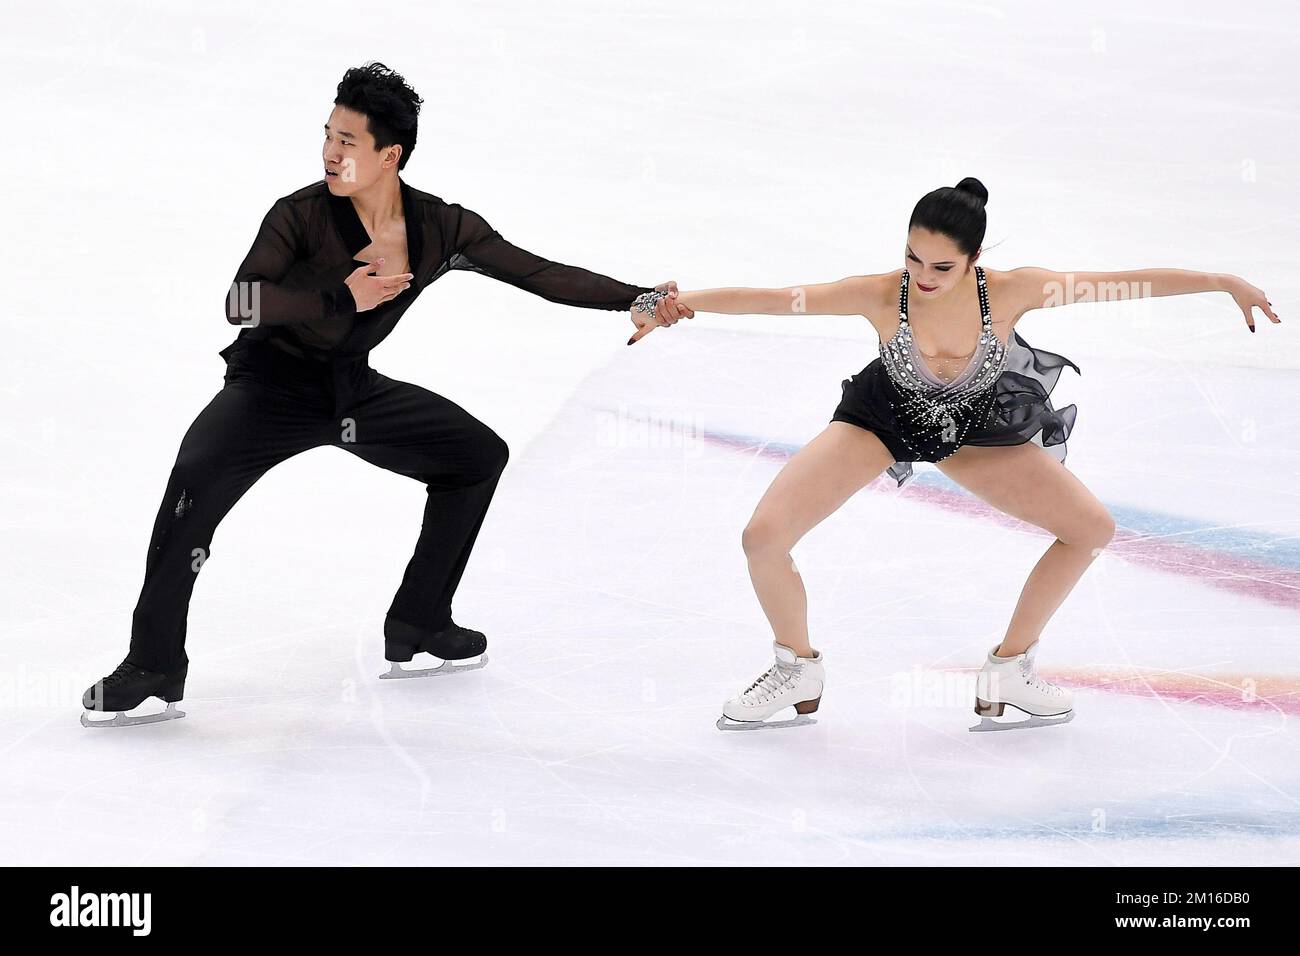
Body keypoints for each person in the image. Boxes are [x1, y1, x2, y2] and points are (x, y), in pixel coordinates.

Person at [81, 61, 689, 727]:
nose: (330, 152)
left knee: (474, 457)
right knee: (188, 497)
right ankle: (154, 665)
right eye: (328, 135)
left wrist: (632, 298)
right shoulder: (301, 215)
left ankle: (420, 619)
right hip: (268, 391)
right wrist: (340, 293)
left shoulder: (441, 227)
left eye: (348, 140)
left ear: (388, 154)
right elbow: (241, 301)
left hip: (349, 392)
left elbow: (538, 272)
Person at [650, 177, 1279, 731]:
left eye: (942, 268)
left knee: (1090, 528)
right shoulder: (880, 293)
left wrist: (1219, 281)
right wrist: (684, 305)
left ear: (975, 260)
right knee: (763, 536)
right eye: (912, 257)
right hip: (884, 418)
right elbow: (776, 298)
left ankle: (1009, 670)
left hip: (973, 427)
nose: (922, 277)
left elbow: (1123, 285)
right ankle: (797, 669)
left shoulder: (1011, 291)